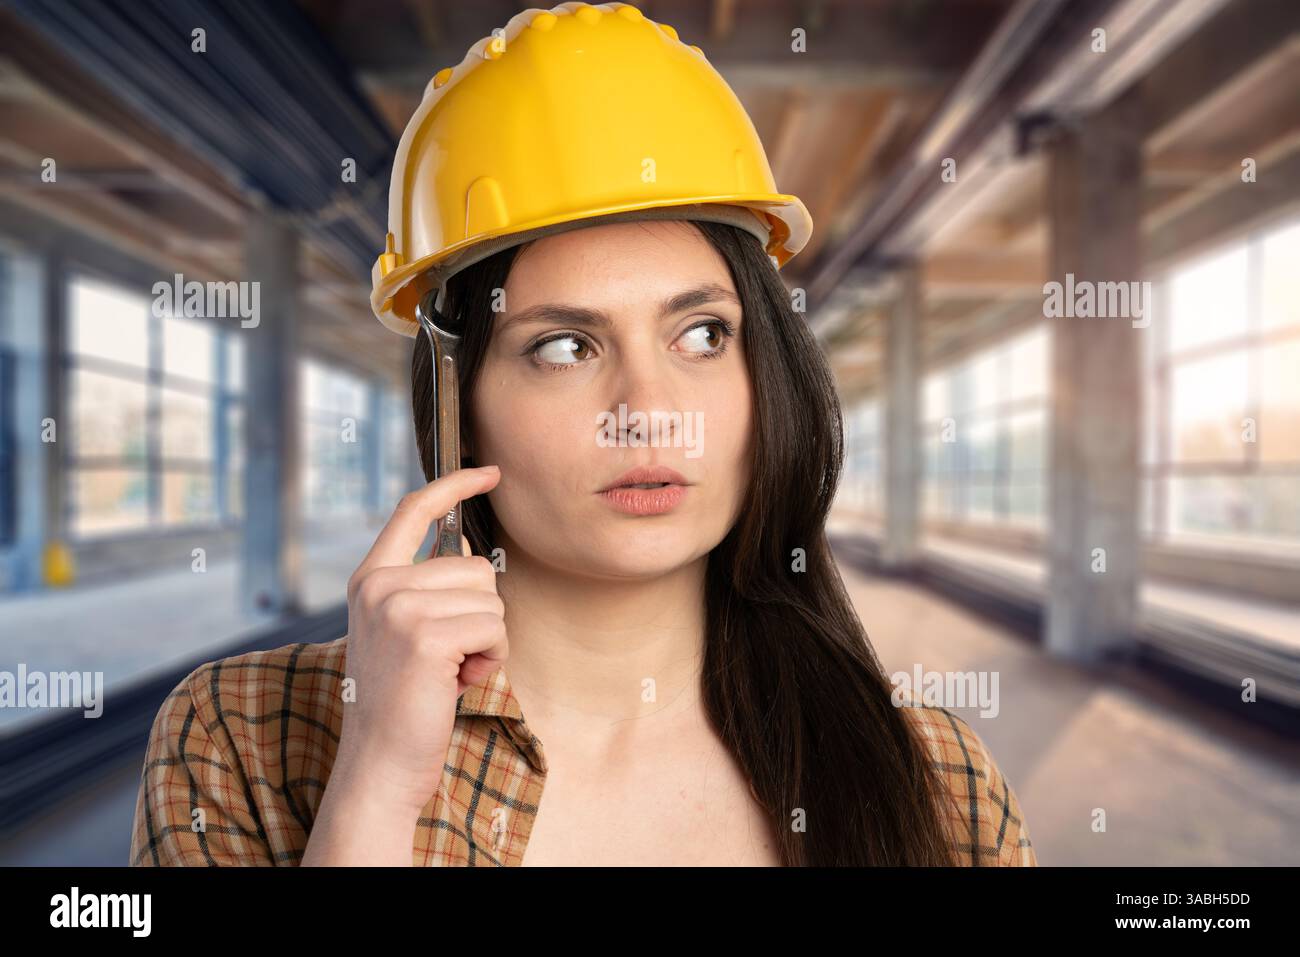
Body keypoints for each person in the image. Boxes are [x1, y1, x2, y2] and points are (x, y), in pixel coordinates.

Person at [129, 1, 1035, 867]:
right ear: (456, 396)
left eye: (703, 334)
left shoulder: (940, 781)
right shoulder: (237, 735)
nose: (647, 408)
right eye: (564, 345)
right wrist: (374, 784)